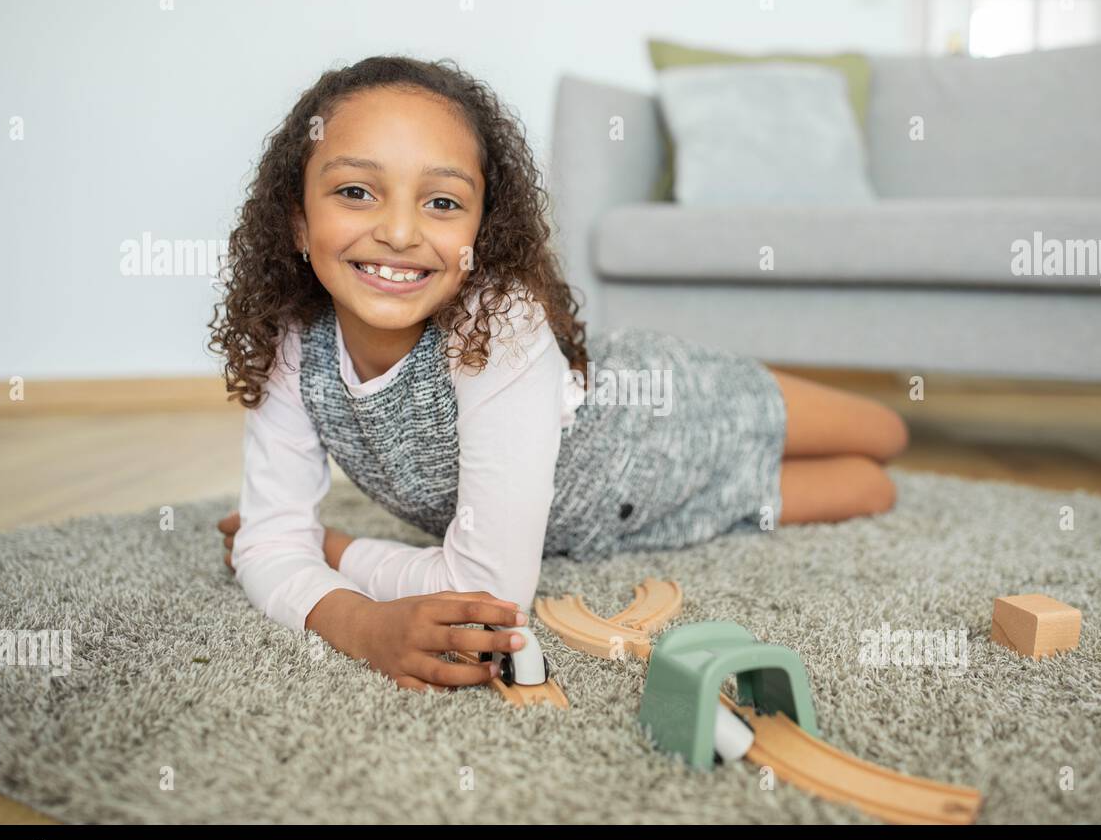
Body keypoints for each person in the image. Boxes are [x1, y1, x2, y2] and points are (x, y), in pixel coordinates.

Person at [208, 55, 908, 695]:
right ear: (298, 222)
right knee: (871, 489)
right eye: (357, 191)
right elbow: (268, 545)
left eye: (442, 202)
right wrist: (359, 626)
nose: (398, 231)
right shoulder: (294, 343)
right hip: (636, 520)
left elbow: (482, 589)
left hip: (675, 403)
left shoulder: (498, 322)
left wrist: (335, 552)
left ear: (480, 232)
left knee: (889, 434)